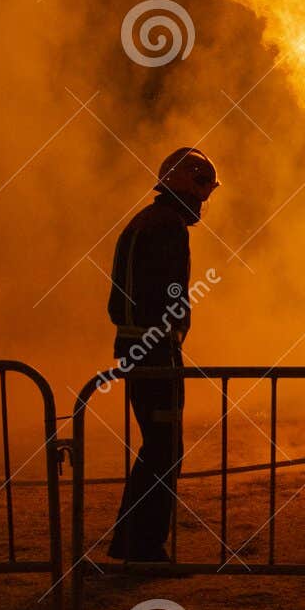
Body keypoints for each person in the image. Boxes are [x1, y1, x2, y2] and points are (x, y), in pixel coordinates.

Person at [105, 146, 220, 562]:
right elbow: (171, 293)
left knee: (156, 446)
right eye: (202, 191)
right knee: (163, 449)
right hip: (155, 353)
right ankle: (143, 547)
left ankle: (131, 542)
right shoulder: (169, 228)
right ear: (188, 186)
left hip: (136, 347)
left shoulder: (145, 222)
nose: (204, 203)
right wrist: (175, 330)